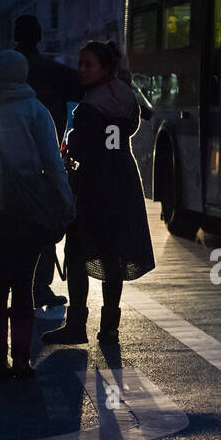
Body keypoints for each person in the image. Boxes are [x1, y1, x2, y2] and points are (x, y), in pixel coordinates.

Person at [0, 50, 71, 381]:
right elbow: (53, 164)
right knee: (24, 286)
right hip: (27, 209)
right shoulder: (36, 111)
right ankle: (22, 360)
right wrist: (64, 202)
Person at [42, 40, 155, 346]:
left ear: (106, 68)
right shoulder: (126, 98)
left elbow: (79, 146)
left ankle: (77, 324)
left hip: (94, 182)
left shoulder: (92, 105)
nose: (81, 70)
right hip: (123, 178)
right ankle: (110, 328)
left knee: (76, 253)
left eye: (87, 64)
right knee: (112, 253)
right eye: (80, 63)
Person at [14, 14, 82, 309]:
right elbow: (85, 92)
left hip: (7, 167)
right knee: (43, 226)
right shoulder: (54, 72)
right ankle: (39, 286)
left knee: (3, 228)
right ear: (39, 37)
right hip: (43, 162)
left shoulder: (1, 73)